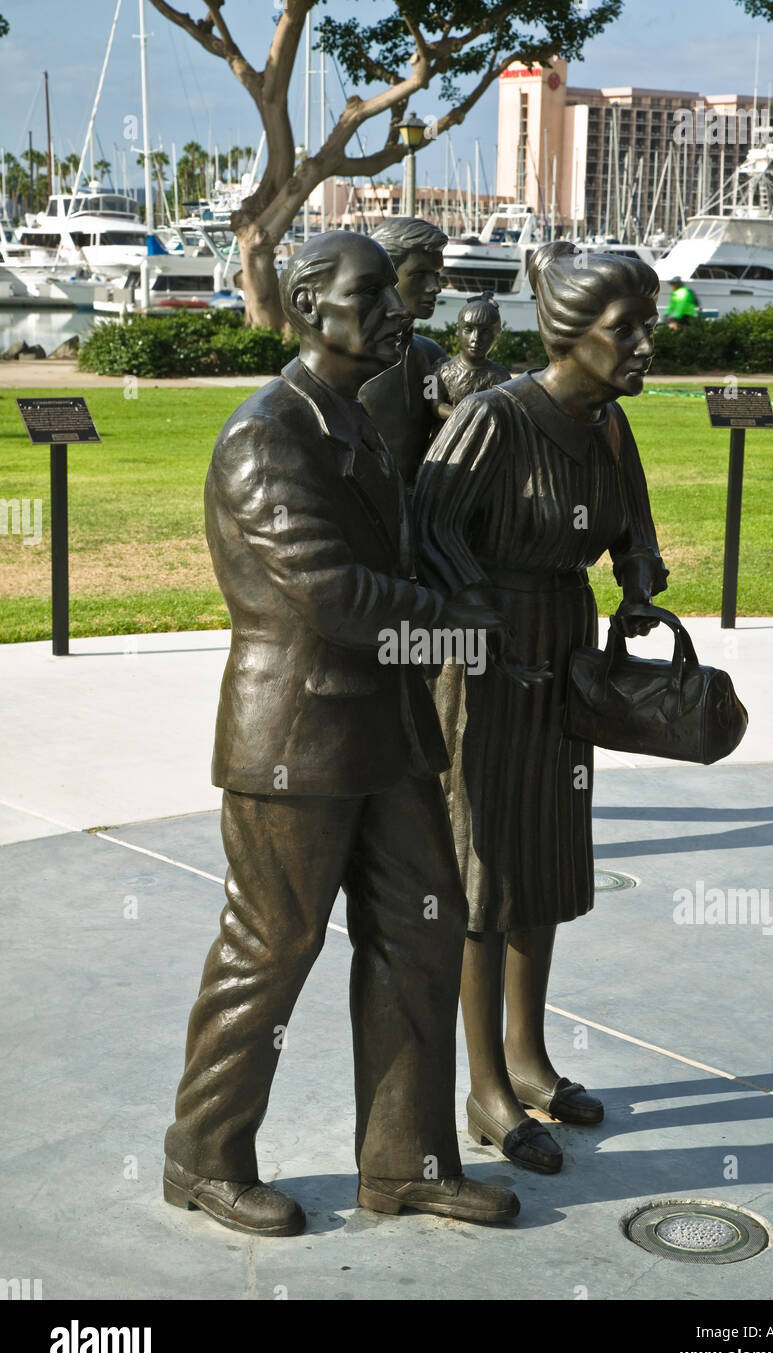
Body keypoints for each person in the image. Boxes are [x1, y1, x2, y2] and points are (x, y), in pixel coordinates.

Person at [163, 230, 519, 1234]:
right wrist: (451, 622)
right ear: (309, 306)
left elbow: (394, 561)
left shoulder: (354, 423)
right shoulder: (266, 433)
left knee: (422, 928)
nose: (397, 310)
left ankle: (405, 1160)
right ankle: (202, 1154)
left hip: (388, 734)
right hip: (297, 742)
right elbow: (326, 591)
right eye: (370, 296)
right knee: (272, 947)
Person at [414, 245, 669, 1174]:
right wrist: (481, 639)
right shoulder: (492, 417)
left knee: (548, 860)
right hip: (486, 662)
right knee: (485, 869)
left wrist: (638, 580)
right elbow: (428, 534)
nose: (644, 346)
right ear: (570, 333)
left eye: (649, 328)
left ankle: (527, 1060)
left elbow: (631, 526)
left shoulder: (605, 424)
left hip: (563, 647)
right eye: (625, 332)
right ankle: (481, 1086)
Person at [359, 216, 448, 490]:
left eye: (437, 274)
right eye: (420, 275)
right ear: (385, 278)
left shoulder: (431, 355)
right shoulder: (352, 362)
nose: (435, 287)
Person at [433, 291, 510, 420]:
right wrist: (469, 417)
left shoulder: (501, 378)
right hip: (445, 438)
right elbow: (434, 404)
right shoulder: (439, 369)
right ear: (458, 330)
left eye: (485, 331)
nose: (476, 338)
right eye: (469, 329)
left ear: (497, 334)